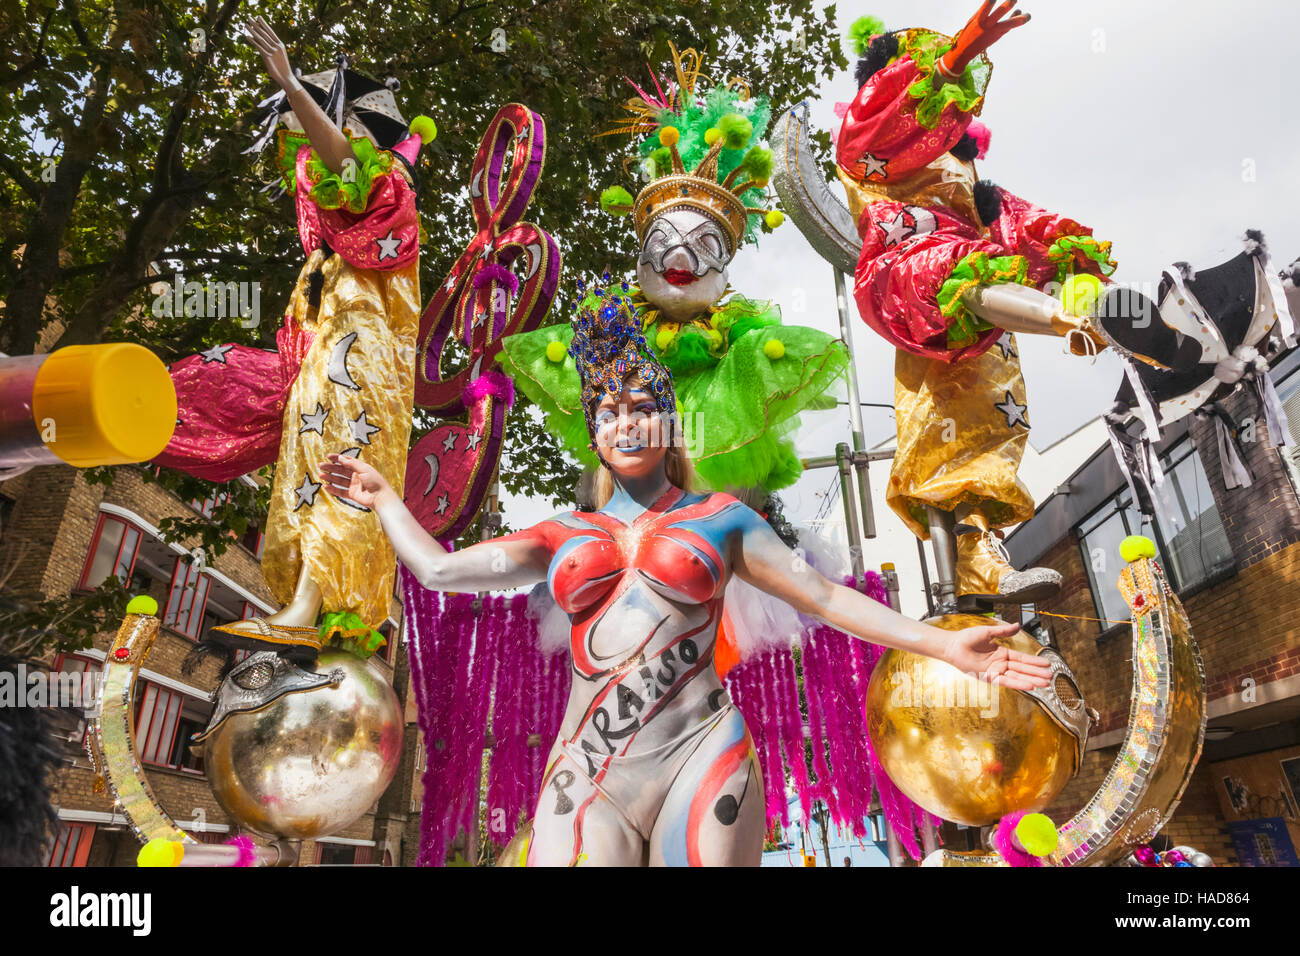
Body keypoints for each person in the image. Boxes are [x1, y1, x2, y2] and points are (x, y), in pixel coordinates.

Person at [319, 286, 1052, 867]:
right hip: (589, 764)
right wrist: (385, 498)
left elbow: (824, 597)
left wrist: (943, 645)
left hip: (700, 754)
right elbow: (441, 570)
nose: (626, 422)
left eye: (643, 408)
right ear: (596, 432)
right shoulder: (561, 534)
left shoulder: (724, 519)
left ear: (669, 425)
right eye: (610, 411)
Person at [155, 17, 434, 658]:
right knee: (297, 464)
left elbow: (349, 176)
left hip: (361, 368)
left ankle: (313, 603)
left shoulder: (389, 193)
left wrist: (292, 87)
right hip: (314, 365)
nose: (306, 155)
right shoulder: (321, 259)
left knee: (338, 465)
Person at [834, 3, 1117, 604]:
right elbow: (883, 119)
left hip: (986, 332)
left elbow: (1020, 225)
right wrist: (960, 51)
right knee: (954, 281)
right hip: (909, 274)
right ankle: (1065, 319)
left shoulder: (964, 169)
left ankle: (981, 554)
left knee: (990, 434)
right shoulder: (866, 146)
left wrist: (1075, 265)